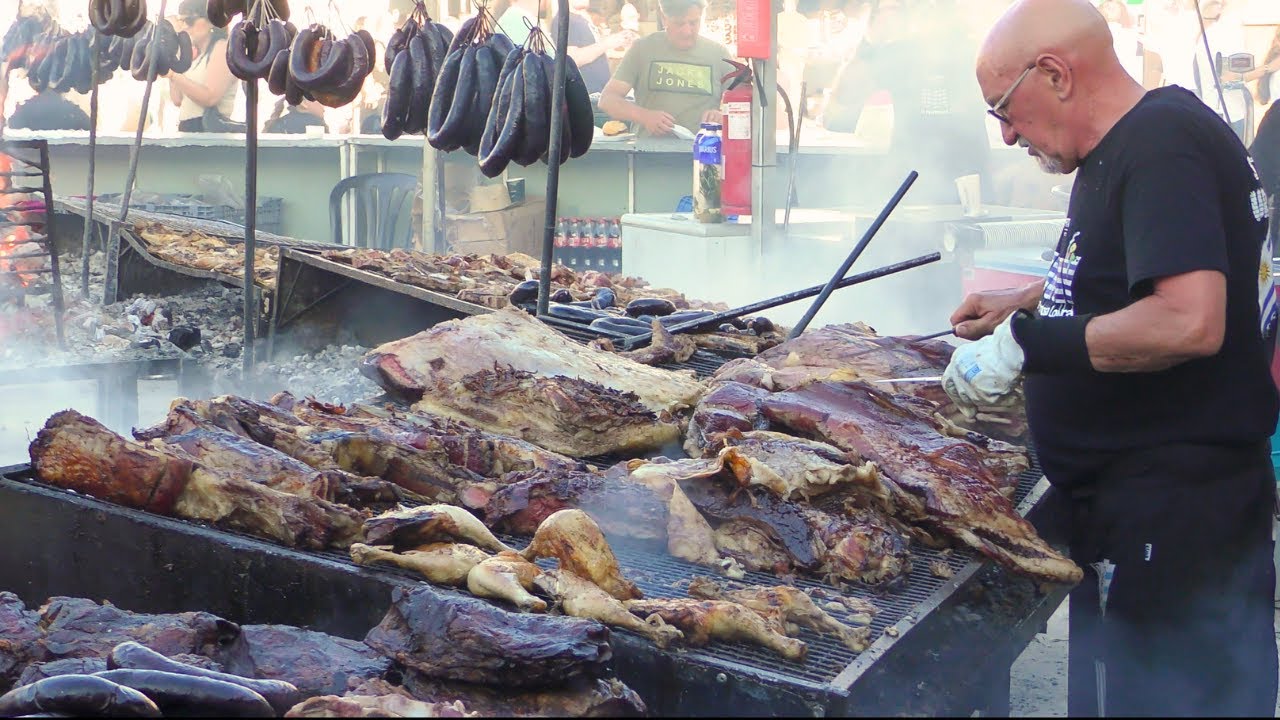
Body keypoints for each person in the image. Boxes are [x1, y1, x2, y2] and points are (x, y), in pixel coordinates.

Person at [941, 0, 1278, 716]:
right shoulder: (1136, 143)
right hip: (1150, 517)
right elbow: (1129, 274)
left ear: (1056, 74)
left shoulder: (1159, 148)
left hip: (1172, 530)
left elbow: (1190, 322)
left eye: (1004, 107)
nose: (1003, 135)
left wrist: (1028, 345)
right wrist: (1029, 302)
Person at [822, 0, 991, 204]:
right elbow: (841, 104)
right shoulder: (900, 53)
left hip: (966, 185)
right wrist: (868, 42)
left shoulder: (978, 50)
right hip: (916, 183)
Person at [598, 0, 731, 137]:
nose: (687, 31)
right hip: (649, 152)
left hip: (704, 152)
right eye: (679, 24)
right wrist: (644, 116)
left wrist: (723, 116)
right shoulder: (643, 49)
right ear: (664, 19)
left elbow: (745, 104)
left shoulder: (718, 54)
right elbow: (608, 99)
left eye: (693, 23)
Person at [167, 0, 240, 132]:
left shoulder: (221, 48)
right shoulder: (196, 56)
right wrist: (173, 61)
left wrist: (174, 75)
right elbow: (177, 99)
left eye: (189, 20)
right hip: (189, 128)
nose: (184, 27)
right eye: (181, 21)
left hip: (208, 132)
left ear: (209, 21)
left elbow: (210, 97)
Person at [553, 0, 634, 96]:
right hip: (588, 96)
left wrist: (617, 41)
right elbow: (572, 58)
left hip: (600, 95)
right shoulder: (565, 20)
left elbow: (596, 52)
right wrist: (607, 43)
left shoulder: (581, 20)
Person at [7, 89, 91, 131]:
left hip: (36, 154)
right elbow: (88, 125)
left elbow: (13, 124)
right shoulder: (69, 108)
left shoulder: (28, 107)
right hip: (67, 154)